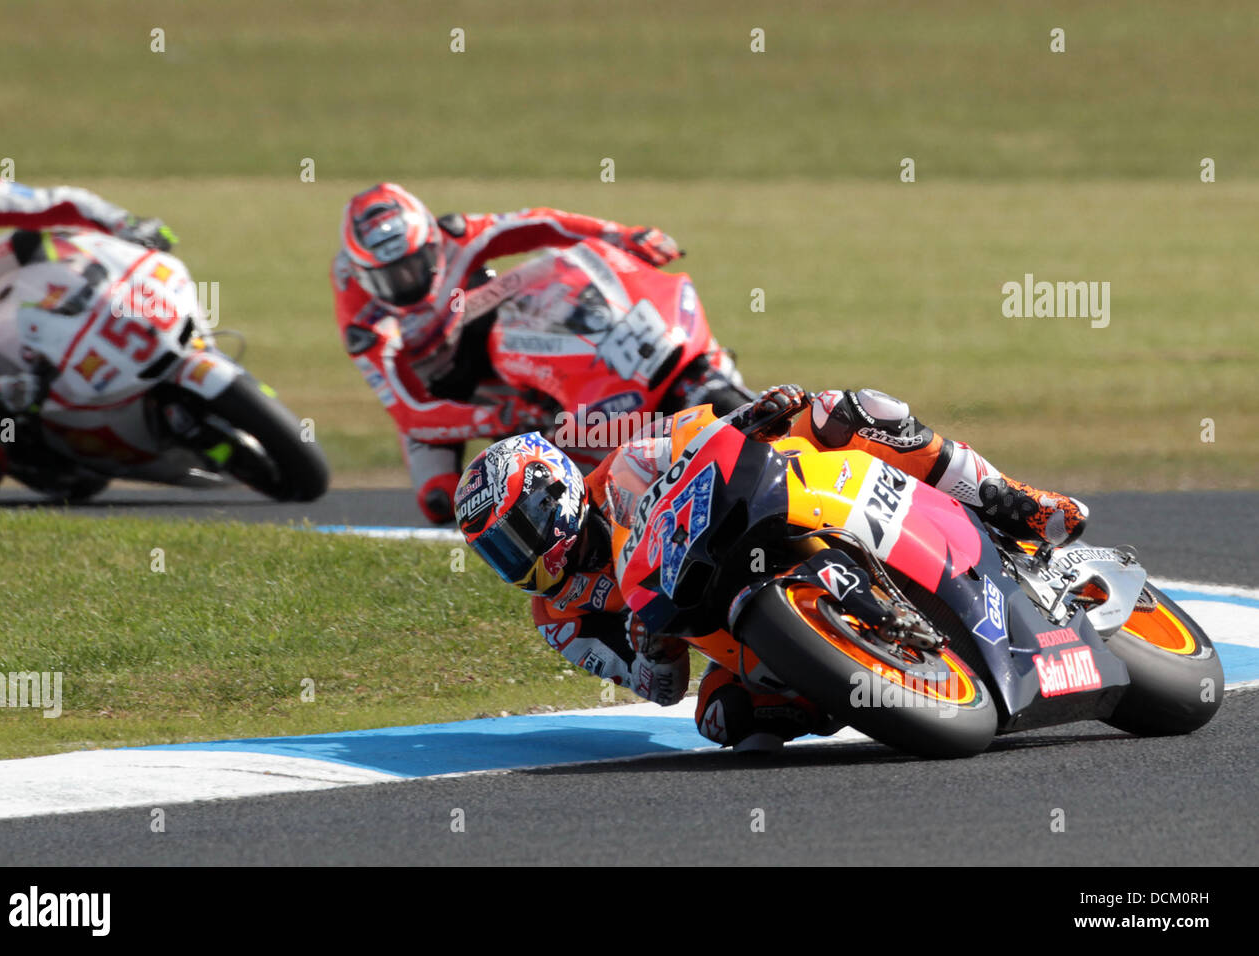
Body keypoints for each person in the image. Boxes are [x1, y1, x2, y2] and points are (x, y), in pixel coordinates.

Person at [454, 384, 1089, 752]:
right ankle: (842, 685)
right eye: (498, 553)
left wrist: (754, 415)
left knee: (851, 409)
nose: (518, 558)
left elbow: (697, 433)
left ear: (551, 497)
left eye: (516, 535)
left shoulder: (620, 469)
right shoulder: (560, 618)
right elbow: (659, 689)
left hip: (756, 512)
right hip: (716, 616)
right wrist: (653, 649)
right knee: (720, 719)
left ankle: (1015, 504)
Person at [331, 182, 682, 524]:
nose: (406, 281)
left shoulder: (456, 236)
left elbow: (537, 224)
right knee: (440, 501)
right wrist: (496, 416)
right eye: (390, 276)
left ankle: (610, 403)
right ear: (362, 272)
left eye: (414, 264)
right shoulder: (362, 320)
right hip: (437, 394)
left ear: (431, 242)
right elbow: (410, 412)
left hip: (487, 340)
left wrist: (621, 235)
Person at [0, 167, 174, 493]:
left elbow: (62, 203)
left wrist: (125, 223)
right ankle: (26, 431)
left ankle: (125, 323)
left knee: (34, 243)